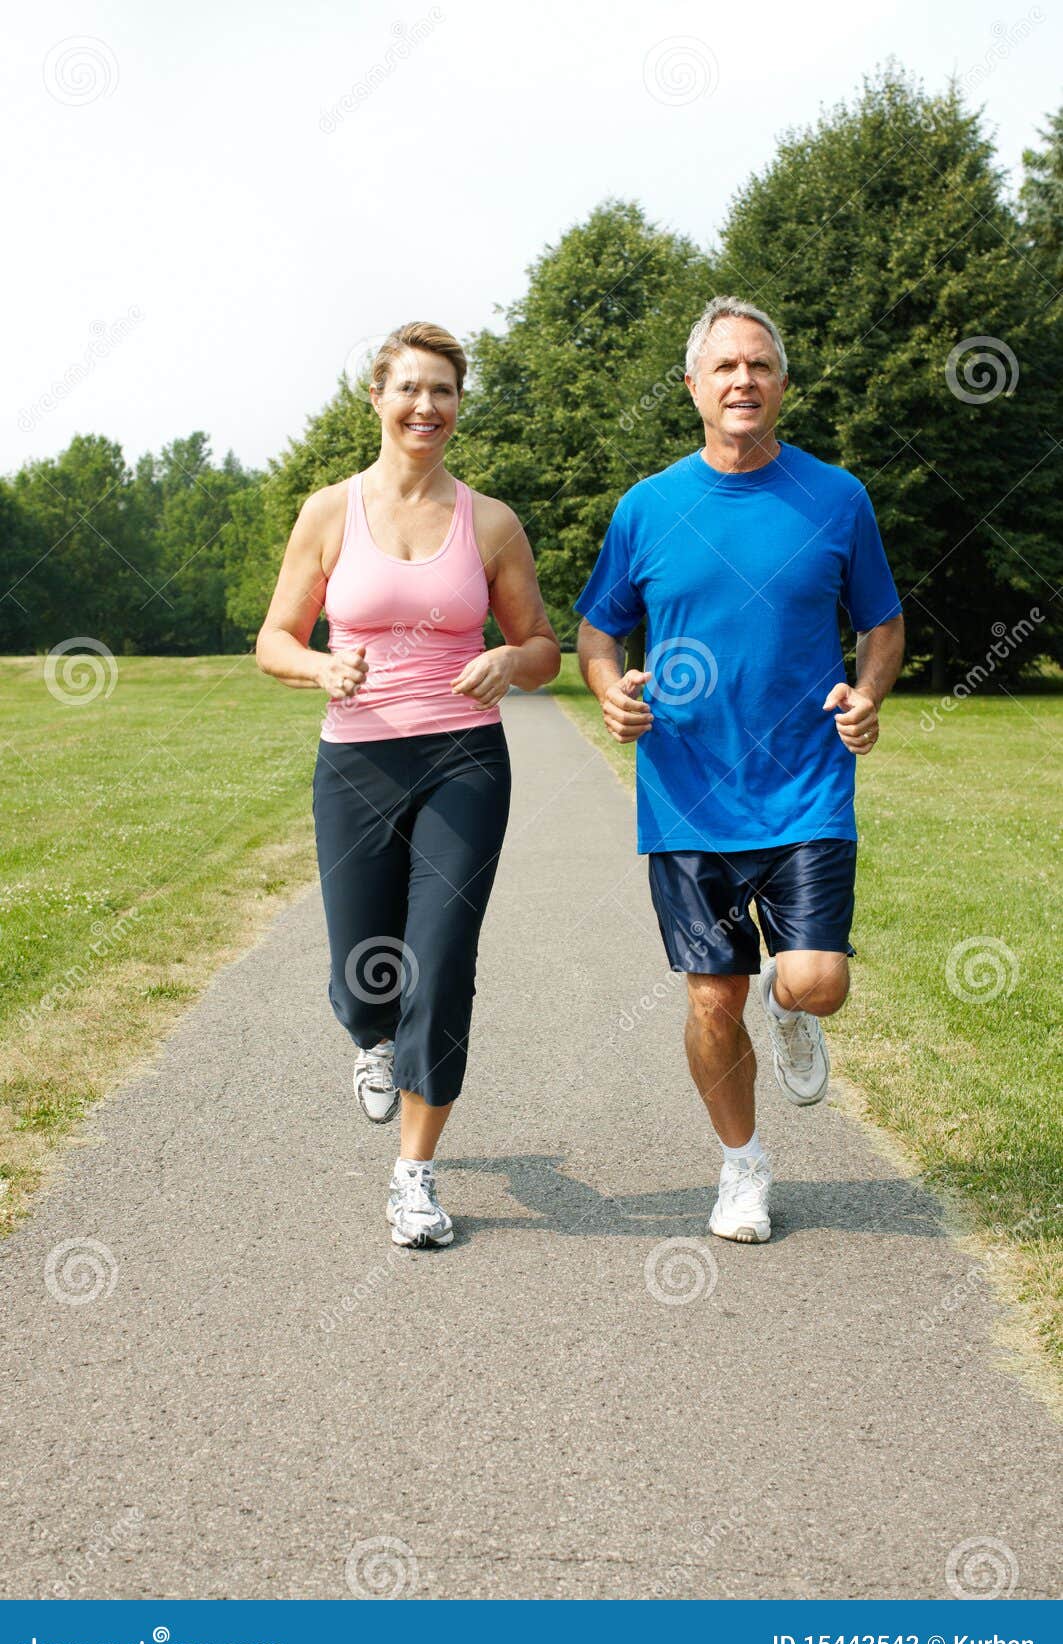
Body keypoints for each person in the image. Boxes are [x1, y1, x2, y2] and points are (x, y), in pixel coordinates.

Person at [575, 296, 904, 1244]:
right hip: (687, 794)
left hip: (805, 783)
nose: (742, 382)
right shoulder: (648, 508)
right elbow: (599, 629)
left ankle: (791, 1008)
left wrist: (868, 691)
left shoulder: (835, 497)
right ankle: (741, 1166)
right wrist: (609, 689)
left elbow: (880, 622)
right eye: (723, 367)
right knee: (710, 996)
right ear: (692, 386)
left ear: (783, 386)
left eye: (758, 366)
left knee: (813, 982)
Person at [256, 321, 560, 1248]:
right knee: (363, 967)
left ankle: (414, 1178)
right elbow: (273, 639)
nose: (426, 407)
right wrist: (319, 670)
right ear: (378, 399)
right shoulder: (327, 512)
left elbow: (545, 649)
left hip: (464, 761)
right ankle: (370, 1039)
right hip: (355, 762)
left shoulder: (491, 521)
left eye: (444, 391)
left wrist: (507, 660)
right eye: (410, 389)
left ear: (459, 406)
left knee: (443, 959)